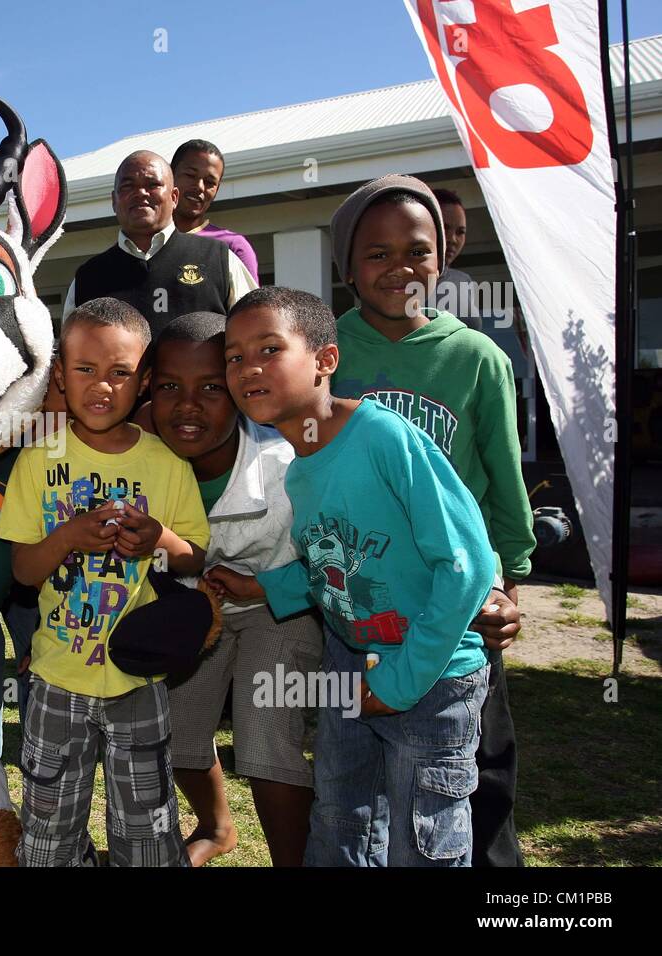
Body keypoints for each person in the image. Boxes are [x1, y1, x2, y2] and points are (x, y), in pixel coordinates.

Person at [219, 286, 494, 866]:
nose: (249, 368)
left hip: (433, 673)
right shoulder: (300, 470)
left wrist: (398, 684)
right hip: (350, 662)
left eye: (269, 348)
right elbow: (337, 563)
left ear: (325, 360)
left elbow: (467, 564)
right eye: (235, 356)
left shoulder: (384, 438)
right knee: (342, 817)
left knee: (424, 841)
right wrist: (265, 587)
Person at [328, 174, 534, 867]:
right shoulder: (326, 354)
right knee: (357, 786)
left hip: (458, 607)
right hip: (362, 605)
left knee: (469, 775)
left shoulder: (478, 359)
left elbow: (504, 488)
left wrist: (510, 587)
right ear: (347, 266)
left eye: (417, 250)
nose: (399, 268)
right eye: (376, 253)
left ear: (441, 259)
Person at [0, 297, 210, 867]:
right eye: (85, 369)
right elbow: (22, 571)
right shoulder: (38, 460)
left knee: (145, 824)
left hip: (140, 677)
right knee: (48, 824)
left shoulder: (167, 463)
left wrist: (157, 539)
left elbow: (193, 558)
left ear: (143, 384)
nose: (102, 386)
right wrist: (67, 536)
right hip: (56, 677)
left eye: (120, 373)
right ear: (60, 374)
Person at [144, 312, 321, 867]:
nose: (188, 404)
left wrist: (270, 587)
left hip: (285, 606)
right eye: (170, 386)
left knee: (266, 739)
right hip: (199, 608)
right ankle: (218, 827)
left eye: (212, 388)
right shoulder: (137, 460)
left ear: (241, 390)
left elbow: (338, 561)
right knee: (175, 734)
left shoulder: (286, 463)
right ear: (147, 390)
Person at [62, 151, 257, 338]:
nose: (140, 193)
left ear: (174, 197)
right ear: (114, 200)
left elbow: (255, 335)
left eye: (153, 184)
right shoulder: (88, 277)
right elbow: (71, 353)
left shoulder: (220, 260)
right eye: (128, 186)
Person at [171, 139, 259, 283]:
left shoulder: (232, 247)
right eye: (190, 175)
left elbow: (252, 305)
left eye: (209, 182)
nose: (199, 187)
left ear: (217, 190)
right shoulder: (144, 242)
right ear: (170, 176)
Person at [431, 188, 479, 328]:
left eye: (460, 232)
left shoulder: (463, 280)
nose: (452, 239)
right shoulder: (402, 281)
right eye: (445, 228)